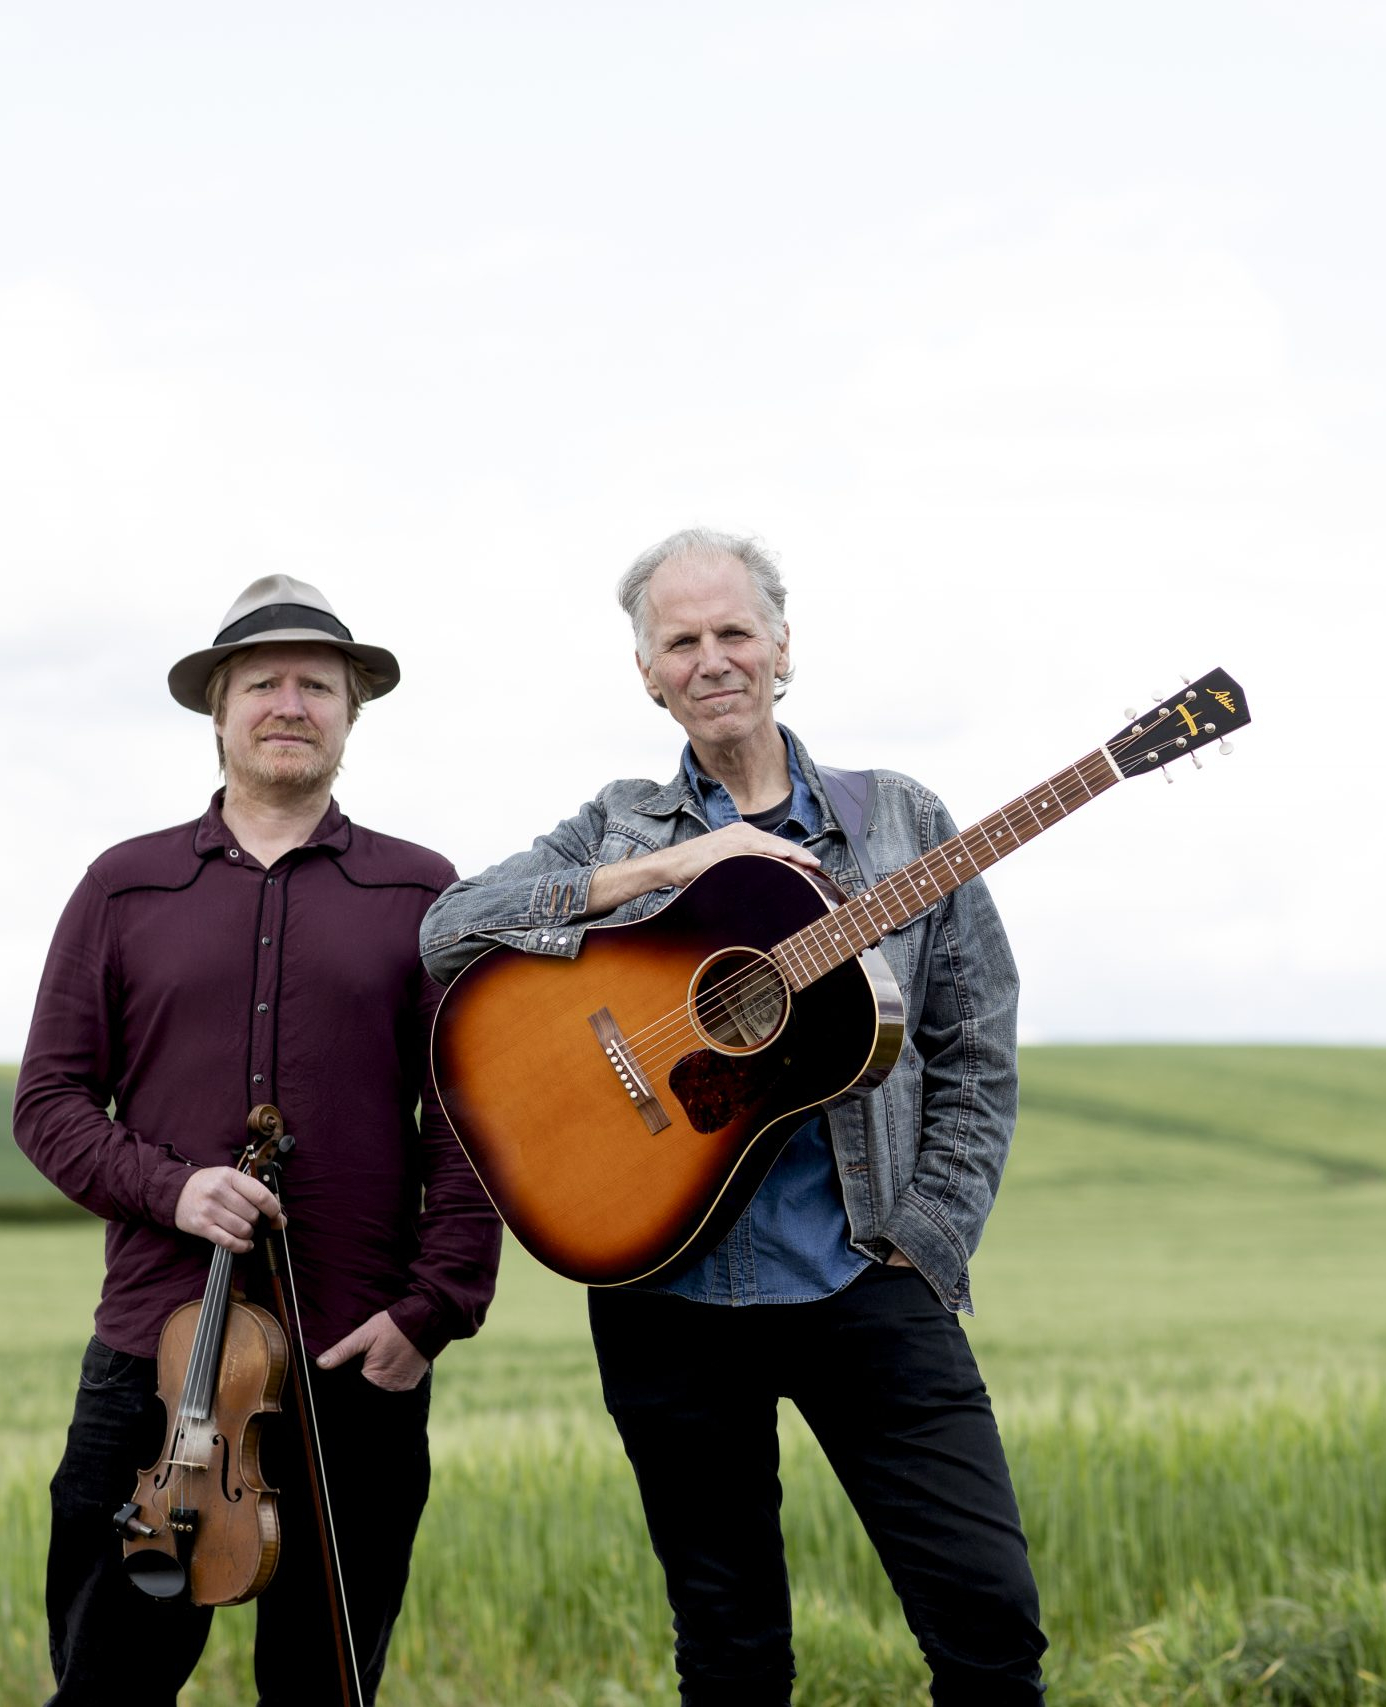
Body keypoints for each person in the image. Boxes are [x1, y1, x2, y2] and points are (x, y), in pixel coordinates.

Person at [421, 528, 1046, 1703]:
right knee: (728, 1645)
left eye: (734, 633)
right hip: (666, 1297)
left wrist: (926, 1242)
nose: (712, 659)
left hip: (863, 1275)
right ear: (648, 673)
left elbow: (974, 1049)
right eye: (682, 641)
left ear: (781, 647)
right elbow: (449, 927)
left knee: (987, 1619)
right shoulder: (616, 825)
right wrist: (661, 872)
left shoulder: (900, 823)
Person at [15, 576, 501, 1706]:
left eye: (317, 686)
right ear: (220, 712)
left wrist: (436, 1310)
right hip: (155, 1364)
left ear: (350, 713)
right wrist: (173, 1189)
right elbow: (48, 1101)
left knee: (325, 1690)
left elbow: (473, 1123)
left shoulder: (423, 891)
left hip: (354, 1358)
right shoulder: (124, 886)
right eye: (264, 684)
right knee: (104, 1686)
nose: (291, 703)